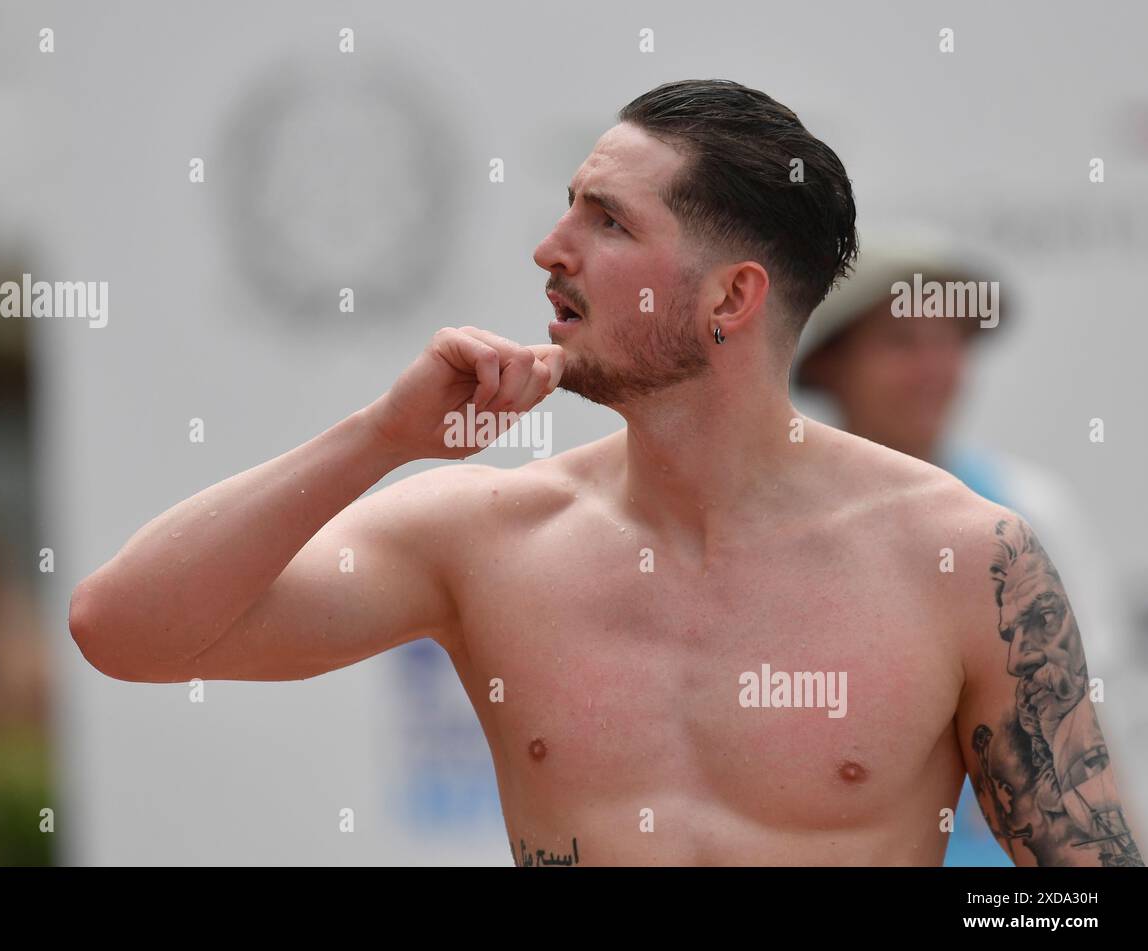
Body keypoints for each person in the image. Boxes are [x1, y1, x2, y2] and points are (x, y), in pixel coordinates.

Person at [69, 79, 1142, 866]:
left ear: (730, 300)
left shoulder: (959, 554)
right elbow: (121, 629)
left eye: (608, 220)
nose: (550, 247)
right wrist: (378, 437)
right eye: (568, 204)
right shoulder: (484, 532)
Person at [792, 230, 1142, 864]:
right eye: (901, 344)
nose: (934, 371)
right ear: (826, 365)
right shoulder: (769, 526)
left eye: (950, 344)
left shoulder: (1028, 509)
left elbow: (1085, 749)